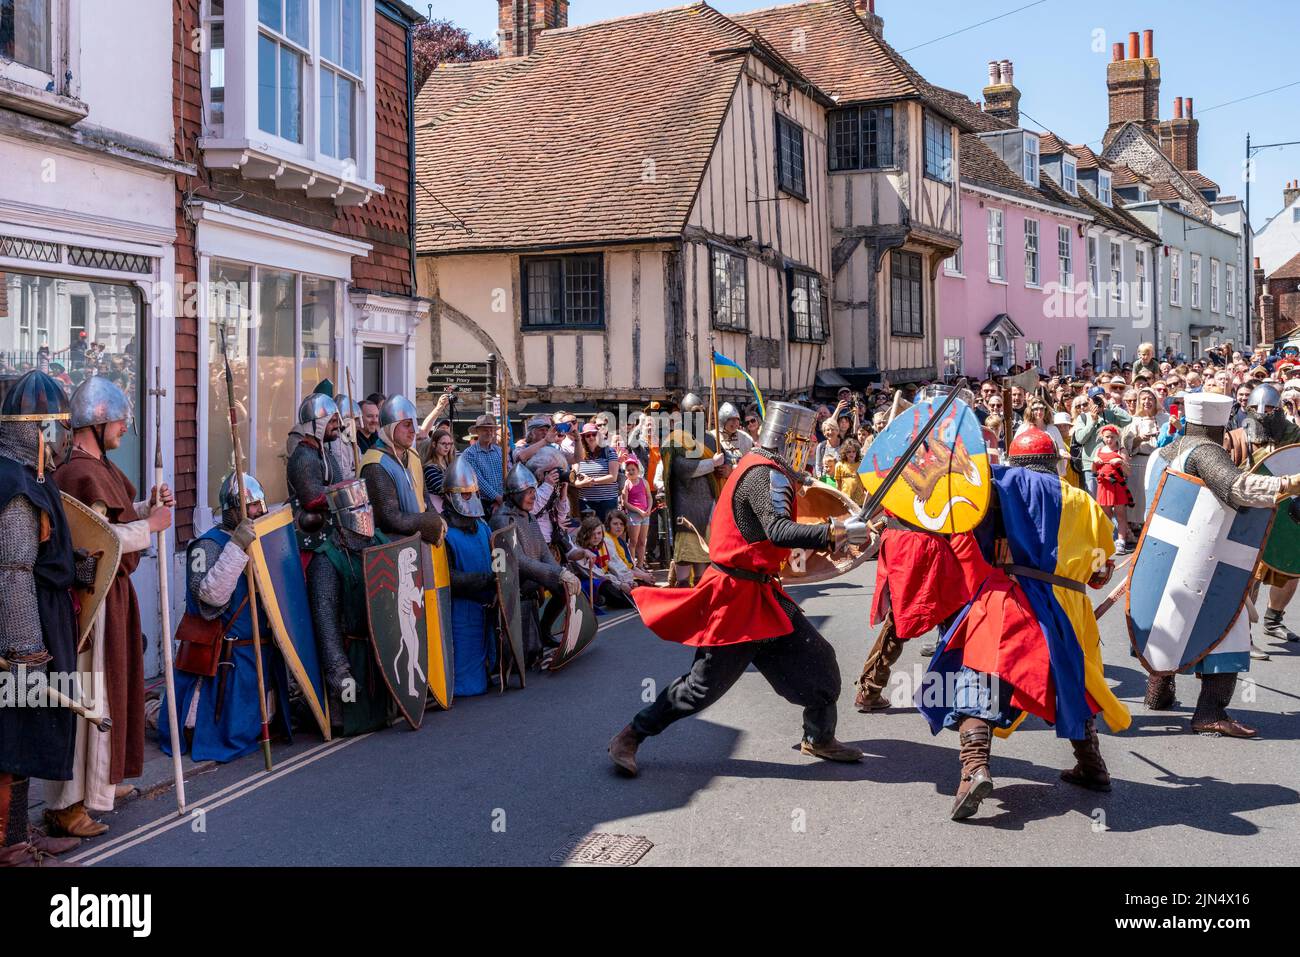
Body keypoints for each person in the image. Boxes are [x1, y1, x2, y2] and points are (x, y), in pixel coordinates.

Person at [607, 402, 874, 777]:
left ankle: (818, 736)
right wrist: (835, 531)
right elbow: (779, 531)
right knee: (699, 688)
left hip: (763, 596)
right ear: (790, 439)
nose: (807, 446)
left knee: (820, 663)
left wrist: (837, 533)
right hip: (735, 599)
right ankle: (630, 736)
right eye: (803, 440)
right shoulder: (764, 475)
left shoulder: (761, 468)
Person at [921, 428, 1131, 821]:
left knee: (979, 679)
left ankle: (974, 770)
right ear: (1054, 463)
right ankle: (1093, 765)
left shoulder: (999, 484)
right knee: (1071, 685)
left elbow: (962, 512)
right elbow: (1099, 574)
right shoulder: (1085, 503)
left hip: (1010, 596)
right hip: (1067, 610)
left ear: (1016, 460)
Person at [46, 376, 172, 840]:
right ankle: (68, 804)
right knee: (87, 699)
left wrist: (146, 507)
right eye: (119, 421)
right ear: (97, 422)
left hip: (110, 598)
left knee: (111, 692)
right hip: (88, 604)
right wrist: (152, 527)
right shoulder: (78, 473)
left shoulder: (98, 469)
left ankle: (102, 781)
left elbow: (112, 518)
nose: (124, 429)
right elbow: (97, 544)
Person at [1141, 393, 1300, 737]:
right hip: (1202, 561)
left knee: (1167, 624)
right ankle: (1210, 712)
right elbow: (1238, 489)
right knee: (1231, 626)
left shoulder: (1159, 454)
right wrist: (1289, 483)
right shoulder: (1206, 452)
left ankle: (1158, 692)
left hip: (1162, 560)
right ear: (1221, 424)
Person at [0, 372, 87, 866]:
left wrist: (78, 565)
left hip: (37, 619)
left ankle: (20, 832)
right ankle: (9, 845)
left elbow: (36, 555)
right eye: (50, 428)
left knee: (27, 731)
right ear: (31, 430)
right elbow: (13, 571)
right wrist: (24, 649)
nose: (56, 439)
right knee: (11, 733)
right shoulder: (14, 487)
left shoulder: (30, 477)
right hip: (20, 631)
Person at [162, 474, 293, 763]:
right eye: (251, 506)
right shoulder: (205, 545)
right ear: (232, 509)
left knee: (262, 723)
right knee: (204, 728)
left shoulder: (261, 539)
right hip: (226, 656)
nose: (258, 512)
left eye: (260, 505)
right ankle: (153, 711)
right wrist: (236, 547)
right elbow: (209, 599)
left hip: (259, 652)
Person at [304, 479, 392, 736]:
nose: (364, 511)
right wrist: (340, 675)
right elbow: (326, 623)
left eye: (367, 504)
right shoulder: (326, 560)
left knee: (386, 716)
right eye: (356, 508)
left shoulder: (379, 540)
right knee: (354, 717)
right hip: (352, 653)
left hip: (381, 651)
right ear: (340, 516)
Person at [490, 464, 581, 668]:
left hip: (531, 583)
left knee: (563, 588)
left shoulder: (528, 516)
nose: (533, 496)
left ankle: (545, 629)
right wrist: (558, 573)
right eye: (528, 492)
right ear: (514, 494)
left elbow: (543, 553)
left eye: (534, 491)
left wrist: (561, 573)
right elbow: (518, 561)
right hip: (514, 589)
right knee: (522, 659)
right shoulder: (501, 520)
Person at [439, 459, 499, 697]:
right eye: (464, 495)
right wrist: (486, 580)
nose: (471, 500)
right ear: (449, 497)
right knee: (467, 684)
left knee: (487, 669)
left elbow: (496, 558)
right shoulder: (443, 534)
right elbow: (447, 577)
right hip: (461, 610)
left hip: (487, 607)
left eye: (473, 493)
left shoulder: (482, 526)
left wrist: (497, 588)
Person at [360, 395, 446, 552]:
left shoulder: (412, 455)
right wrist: (427, 523)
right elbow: (390, 519)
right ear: (390, 427)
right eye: (407, 425)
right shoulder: (375, 464)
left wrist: (436, 519)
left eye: (414, 424)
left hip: (420, 542)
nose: (413, 430)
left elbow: (424, 497)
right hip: (391, 549)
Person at [658, 420, 724, 587]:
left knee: (702, 565)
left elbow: (725, 462)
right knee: (685, 561)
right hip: (686, 512)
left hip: (706, 509)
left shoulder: (708, 442)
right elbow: (683, 469)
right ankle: (684, 605)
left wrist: (724, 466)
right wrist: (712, 463)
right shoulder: (675, 442)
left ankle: (701, 606)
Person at [286, 393, 344, 553]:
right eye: (331, 421)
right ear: (317, 425)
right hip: (313, 540)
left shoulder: (324, 453)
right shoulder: (304, 456)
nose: (337, 425)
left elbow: (336, 485)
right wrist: (346, 494)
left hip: (331, 535)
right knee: (323, 574)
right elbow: (312, 499)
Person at [1071, 387, 1133, 497]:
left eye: (1100, 398)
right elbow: (1080, 439)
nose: (1097, 402)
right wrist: (1093, 422)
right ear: (1089, 400)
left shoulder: (1111, 413)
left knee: (1112, 500)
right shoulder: (1083, 417)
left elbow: (1128, 419)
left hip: (1111, 465)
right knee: (1094, 500)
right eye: (1094, 399)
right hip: (1091, 466)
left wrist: (1109, 404)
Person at [1093, 424, 1135, 553]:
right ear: (1102, 437)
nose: (1109, 440)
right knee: (1106, 515)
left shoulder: (1121, 451)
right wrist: (1095, 462)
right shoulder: (1099, 451)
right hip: (1104, 486)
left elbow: (1129, 472)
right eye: (1106, 437)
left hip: (1117, 486)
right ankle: (1108, 539)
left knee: (1121, 514)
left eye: (1112, 437)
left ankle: (1121, 541)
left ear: (1117, 437)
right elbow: (1093, 471)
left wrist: (1121, 462)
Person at [574, 422, 621, 521]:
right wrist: (579, 483)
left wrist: (591, 481)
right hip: (586, 502)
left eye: (594, 434)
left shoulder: (609, 451)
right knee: (589, 532)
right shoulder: (579, 454)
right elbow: (574, 477)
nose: (591, 437)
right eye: (588, 435)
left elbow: (613, 477)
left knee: (608, 533)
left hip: (607, 501)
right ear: (584, 438)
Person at [461, 413, 506, 515]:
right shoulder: (469, 454)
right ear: (477, 431)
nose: (489, 432)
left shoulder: (499, 451)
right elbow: (478, 481)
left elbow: (506, 475)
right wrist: (498, 498)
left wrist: (503, 499)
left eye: (491, 430)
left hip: (502, 500)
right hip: (481, 503)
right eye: (485, 429)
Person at [618, 455, 653, 569]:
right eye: (628, 470)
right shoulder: (627, 484)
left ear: (638, 470)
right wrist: (639, 511)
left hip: (645, 515)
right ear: (626, 472)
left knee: (642, 542)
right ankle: (632, 565)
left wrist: (648, 509)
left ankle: (641, 564)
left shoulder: (644, 482)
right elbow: (625, 503)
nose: (631, 471)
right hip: (634, 515)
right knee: (633, 541)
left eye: (633, 469)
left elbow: (649, 497)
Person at [422, 428, 456, 515]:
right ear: (434, 444)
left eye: (449, 444)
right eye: (443, 443)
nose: (447, 447)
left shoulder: (449, 464)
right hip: (438, 511)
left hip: (450, 507)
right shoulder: (430, 467)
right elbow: (443, 489)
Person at [834, 437, 866, 505]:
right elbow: (838, 484)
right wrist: (839, 497)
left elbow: (864, 483)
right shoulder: (839, 465)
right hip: (845, 500)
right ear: (844, 452)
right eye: (848, 452)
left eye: (854, 451)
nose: (851, 454)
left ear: (857, 452)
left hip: (859, 500)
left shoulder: (861, 465)